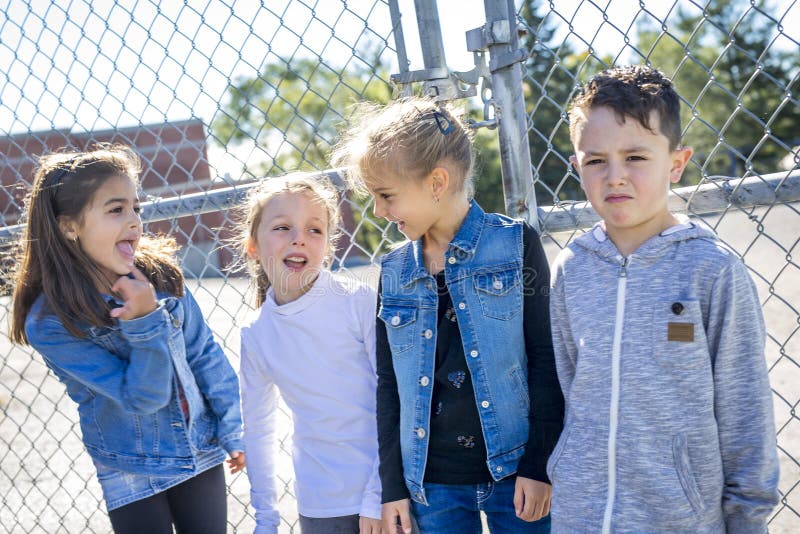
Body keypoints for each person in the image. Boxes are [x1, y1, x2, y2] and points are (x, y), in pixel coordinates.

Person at [548, 65, 780, 533]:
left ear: (676, 163)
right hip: (580, 515)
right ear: (577, 166)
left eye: (635, 157)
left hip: (678, 519)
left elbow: (745, 410)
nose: (615, 177)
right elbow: (569, 385)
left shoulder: (711, 269)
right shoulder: (572, 268)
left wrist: (747, 519)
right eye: (596, 161)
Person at [332, 98, 564, 534]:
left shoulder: (515, 246)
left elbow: (545, 359)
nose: (378, 211)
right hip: (432, 484)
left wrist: (539, 464)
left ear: (436, 182)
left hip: (516, 473)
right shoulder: (394, 271)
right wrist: (393, 487)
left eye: (386, 196)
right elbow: (390, 387)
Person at [9, 145, 245, 534]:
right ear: (70, 227)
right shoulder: (52, 323)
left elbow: (204, 355)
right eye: (116, 209)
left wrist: (233, 429)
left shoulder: (161, 278)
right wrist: (145, 322)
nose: (134, 220)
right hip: (129, 466)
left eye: (136, 207)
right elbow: (144, 397)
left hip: (197, 447)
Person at [236, 173, 382, 534]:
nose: (299, 238)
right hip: (320, 505)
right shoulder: (256, 334)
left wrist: (377, 495)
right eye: (282, 227)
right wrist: (266, 518)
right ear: (253, 246)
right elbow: (259, 428)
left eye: (314, 230)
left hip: (386, 496)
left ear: (328, 247)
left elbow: (395, 400)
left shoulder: (357, 302)